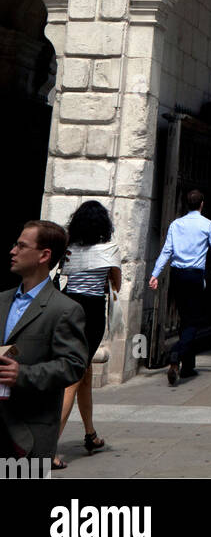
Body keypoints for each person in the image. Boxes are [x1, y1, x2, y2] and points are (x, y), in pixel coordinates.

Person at [0, 220, 89, 471]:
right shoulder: (2, 301)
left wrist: (23, 374)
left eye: (21, 245)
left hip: (29, 434)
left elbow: (72, 366)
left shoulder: (65, 310)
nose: (12, 251)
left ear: (44, 255)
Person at [55, 201, 122, 468]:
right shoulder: (109, 250)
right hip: (92, 313)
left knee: (85, 374)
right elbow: (116, 284)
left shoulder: (68, 249)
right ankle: (49, 447)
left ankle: (90, 434)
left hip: (67, 307)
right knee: (73, 377)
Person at [149, 189, 211, 384]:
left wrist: (155, 274)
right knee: (193, 321)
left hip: (177, 275)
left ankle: (188, 365)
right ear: (202, 204)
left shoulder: (176, 224)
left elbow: (167, 250)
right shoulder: (207, 225)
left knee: (185, 318)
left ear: (187, 204)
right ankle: (176, 354)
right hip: (194, 276)